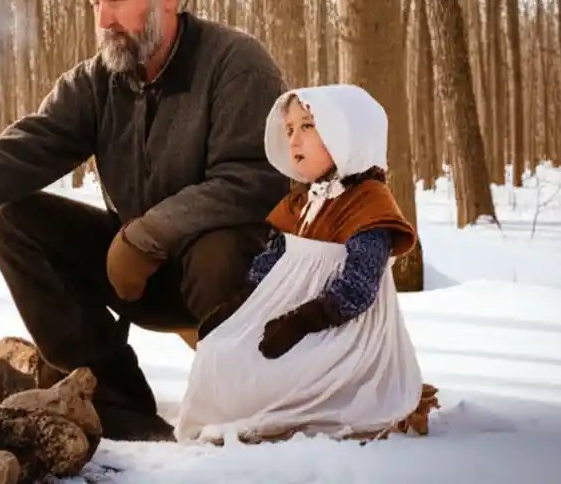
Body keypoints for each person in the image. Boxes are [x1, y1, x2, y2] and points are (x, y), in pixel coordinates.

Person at [0, 0, 291, 441]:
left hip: (226, 276)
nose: (103, 19)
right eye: (95, 3)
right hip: (130, 270)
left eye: (116, 1)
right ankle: (114, 402)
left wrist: (149, 234)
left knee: (219, 248)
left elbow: (253, 181)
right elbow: (29, 146)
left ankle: (240, 408)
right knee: (13, 222)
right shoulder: (97, 80)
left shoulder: (236, 63)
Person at [175, 84, 424, 444]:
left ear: (347, 132)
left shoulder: (367, 203)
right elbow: (274, 258)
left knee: (267, 376)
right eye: (289, 129)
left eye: (307, 126)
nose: (294, 141)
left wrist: (306, 321)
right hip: (286, 313)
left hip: (338, 329)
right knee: (220, 352)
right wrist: (240, 302)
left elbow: (359, 285)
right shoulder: (303, 201)